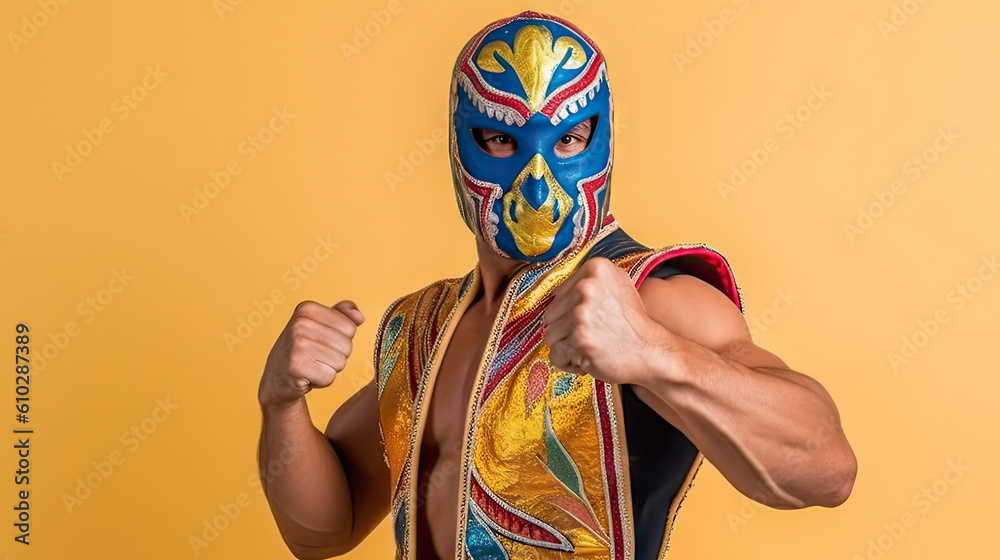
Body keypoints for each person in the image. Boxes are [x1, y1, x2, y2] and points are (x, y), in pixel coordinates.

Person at [256, 11, 857, 560]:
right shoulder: (421, 326)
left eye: (569, 139)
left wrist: (653, 353)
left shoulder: (648, 296)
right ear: (458, 141)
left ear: (603, 141)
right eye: (501, 139)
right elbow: (326, 528)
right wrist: (281, 404)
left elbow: (826, 470)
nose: (538, 184)